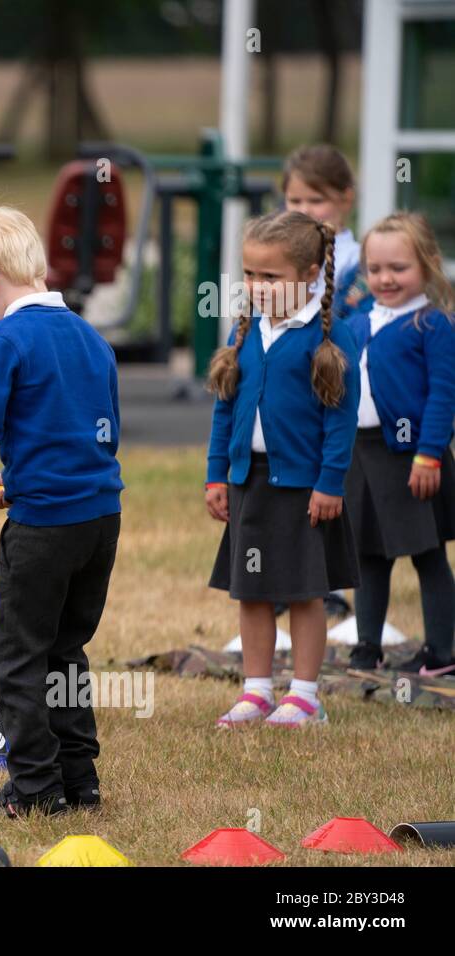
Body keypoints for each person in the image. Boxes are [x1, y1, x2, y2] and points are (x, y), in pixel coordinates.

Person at [0, 206, 123, 817]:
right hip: (98, 520)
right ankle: (79, 779)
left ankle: (36, 790)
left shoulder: (4, 340)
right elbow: (93, 432)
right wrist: (18, 478)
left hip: (43, 530)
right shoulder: (90, 337)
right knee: (65, 649)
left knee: (14, 656)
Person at [206, 210, 360, 727]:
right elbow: (224, 407)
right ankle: (255, 690)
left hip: (304, 488)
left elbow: (341, 418)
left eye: (271, 277)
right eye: (249, 274)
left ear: (312, 273)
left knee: (302, 590)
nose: (257, 286)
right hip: (249, 481)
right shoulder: (244, 331)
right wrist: (216, 475)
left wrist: (330, 482)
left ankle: (305, 695)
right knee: (251, 590)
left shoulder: (330, 334)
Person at [344, 212, 455, 675]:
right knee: (367, 557)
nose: (385, 279)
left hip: (410, 459)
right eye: (375, 269)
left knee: (427, 555)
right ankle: (367, 646)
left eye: (398, 268)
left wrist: (428, 453)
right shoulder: (357, 319)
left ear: (427, 266)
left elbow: (443, 394)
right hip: (359, 454)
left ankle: (442, 653)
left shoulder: (432, 325)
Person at [282, 144, 372, 320]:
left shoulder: (358, 262)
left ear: (346, 198)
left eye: (316, 201)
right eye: (295, 200)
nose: (304, 210)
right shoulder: (276, 255)